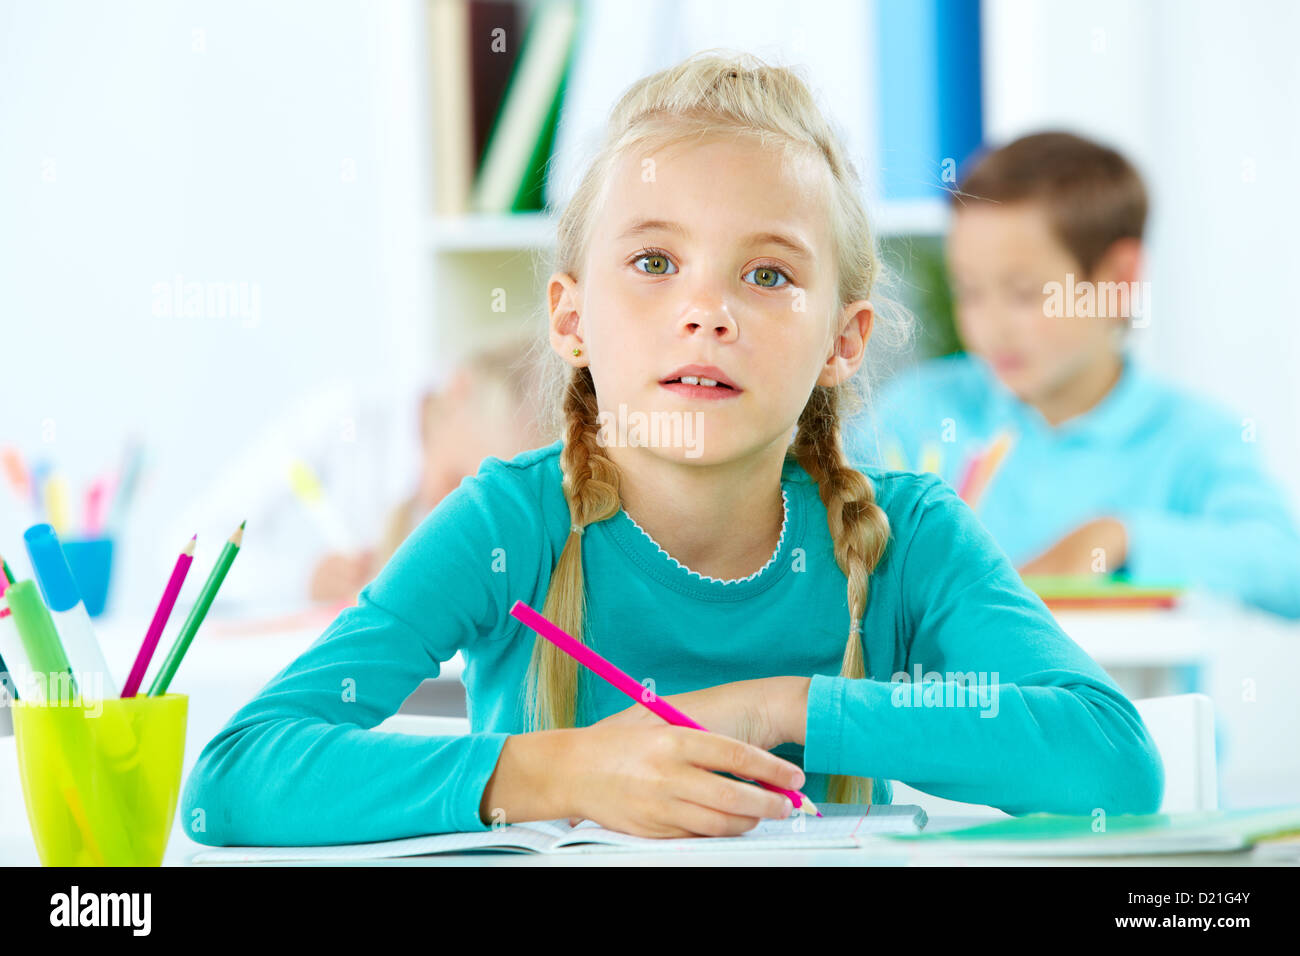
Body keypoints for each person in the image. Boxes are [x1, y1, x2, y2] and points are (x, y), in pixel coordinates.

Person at [181, 52, 1162, 847]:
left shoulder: (907, 535)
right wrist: (564, 769)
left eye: (767, 272)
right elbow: (238, 776)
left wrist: (773, 706)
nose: (705, 311)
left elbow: (1112, 760)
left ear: (842, 340)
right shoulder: (506, 522)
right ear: (571, 317)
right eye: (653, 262)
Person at [846, 131, 1300, 620]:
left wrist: (1119, 536)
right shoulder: (919, 412)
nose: (989, 327)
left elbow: (1285, 570)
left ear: (1118, 281)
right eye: (970, 292)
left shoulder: (1190, 438)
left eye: (1023, 294)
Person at [308, 335, 546, 603]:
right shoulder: (339, 428)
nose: (449, 506)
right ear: (459, 388)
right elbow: (250, 545)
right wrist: (308, 581)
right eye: (454, 479)